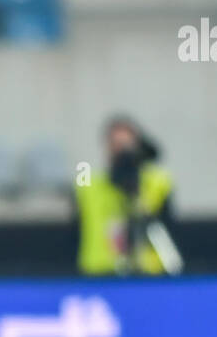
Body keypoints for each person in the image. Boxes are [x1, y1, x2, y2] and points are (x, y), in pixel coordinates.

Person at [74, 115, 180, 275]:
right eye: (115, 145)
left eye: (126, 145)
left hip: (149, 275)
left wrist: (135, 192)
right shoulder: (90, 186)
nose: (121, 152)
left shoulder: (157, 183)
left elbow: (166, 230)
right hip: (99, 275)